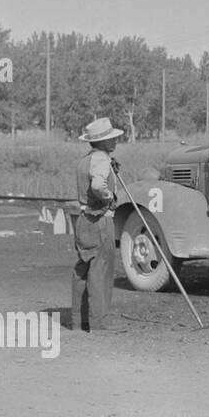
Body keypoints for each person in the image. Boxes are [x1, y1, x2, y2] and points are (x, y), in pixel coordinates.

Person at [71, 118, 124, 332]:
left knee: (83, 269)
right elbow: (97, 185)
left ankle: (79, 321)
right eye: (111, 138)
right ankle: (100, 323)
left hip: (84, 219)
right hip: (100, 220)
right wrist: (109, 197)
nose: (115, 141)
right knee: (100, 271)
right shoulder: (101, 159)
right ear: (102, 142)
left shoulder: (86, 160)